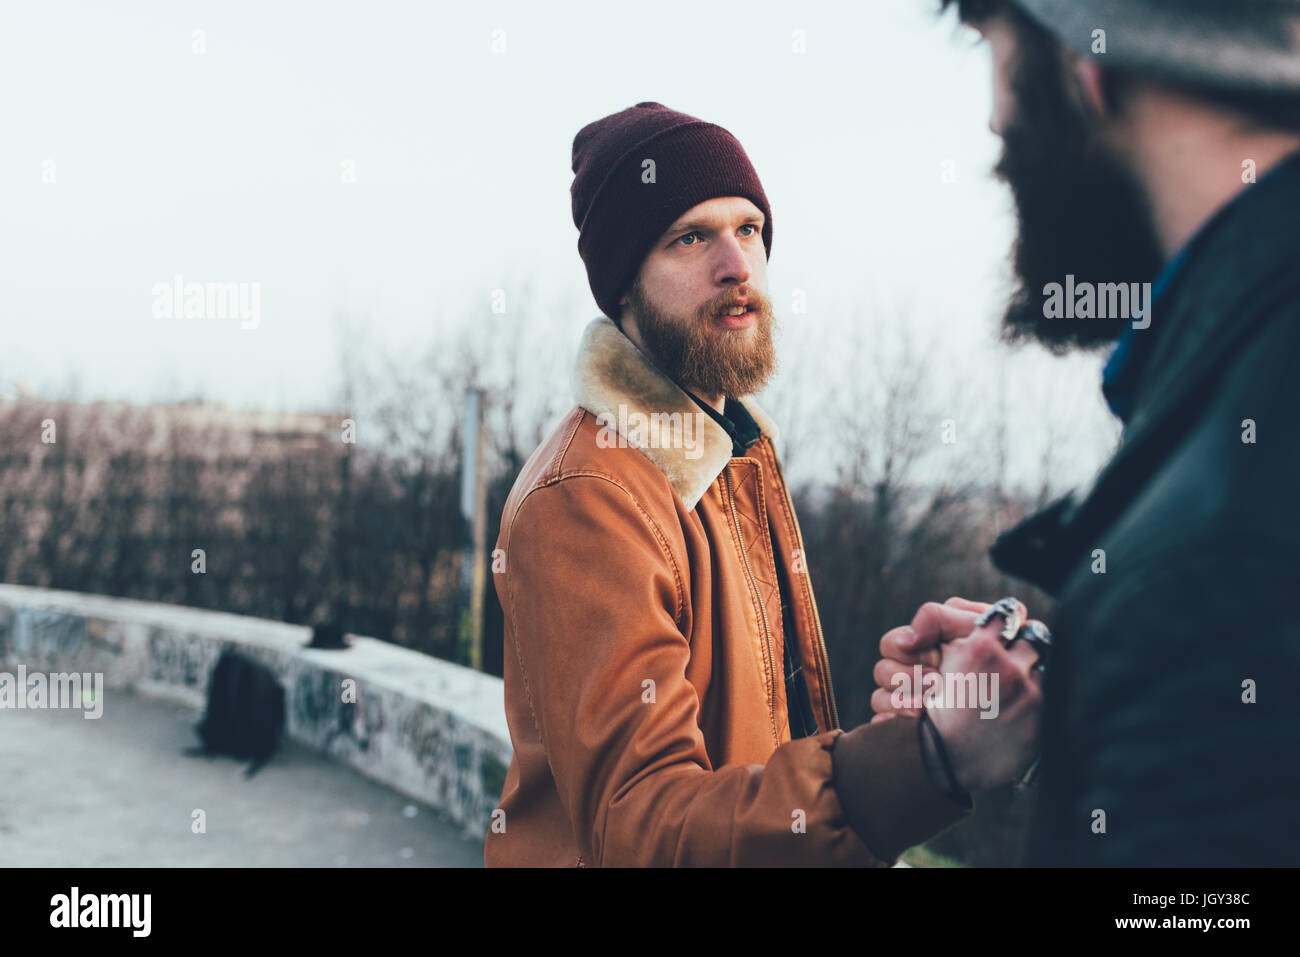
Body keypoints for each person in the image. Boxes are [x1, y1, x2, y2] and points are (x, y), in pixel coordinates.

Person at [484, 102, 1042, 867]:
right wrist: (930, 760)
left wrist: (910, 733)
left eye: (748, 229)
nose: (737, 266)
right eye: (690, 237)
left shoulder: (738, 459)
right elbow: (642, 830)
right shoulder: (588, 497)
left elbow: (756, 756)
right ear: (623, 285)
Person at [878, 0, 1300, 865]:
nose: (995, 126)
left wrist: (1142, 658)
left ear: (1089, 69)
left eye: (993, 51)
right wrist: (1089, 685)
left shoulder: (1203, 567)